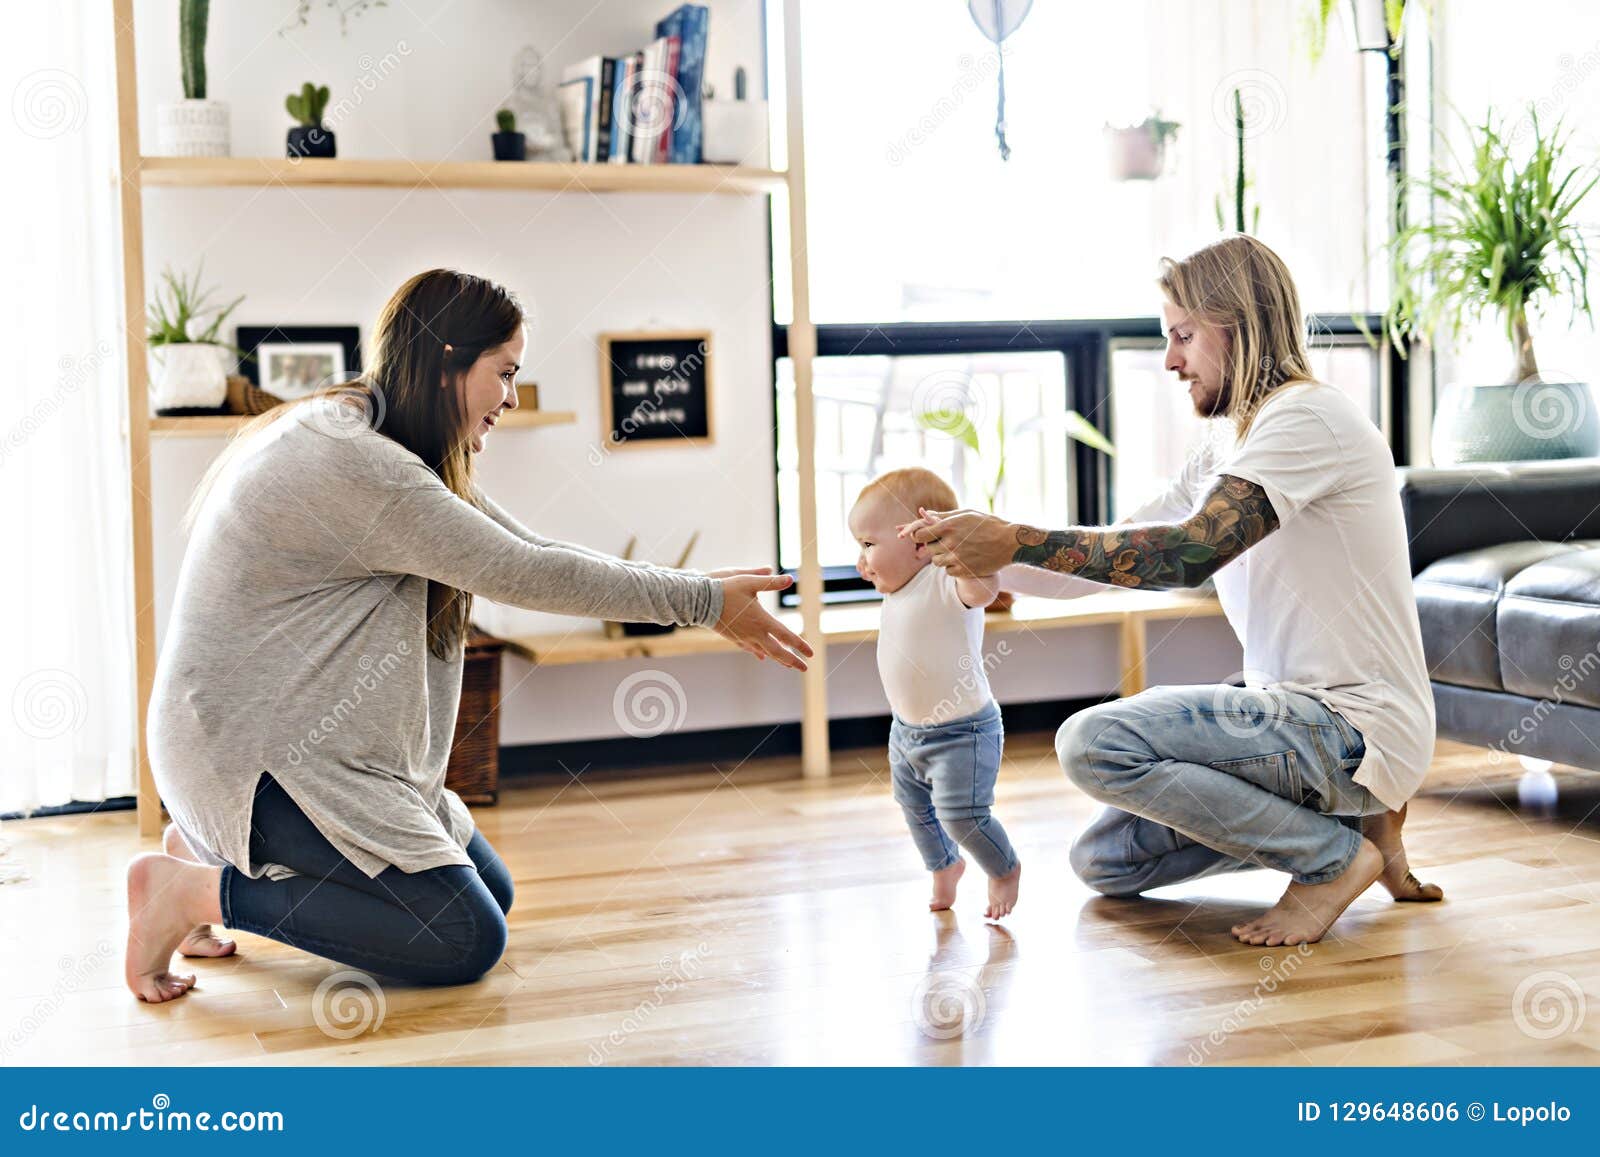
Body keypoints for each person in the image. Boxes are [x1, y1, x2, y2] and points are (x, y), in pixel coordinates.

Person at [126, 269, 813, 1002]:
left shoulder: (378, 434)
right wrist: (704, 601)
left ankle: (200, 848)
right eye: (505, 373)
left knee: (493, 892)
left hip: (280, 746)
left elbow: (530, 548)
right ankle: (195, 892)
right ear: (449, 357)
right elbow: (526, 571)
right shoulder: (359, 463)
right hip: (250, 757)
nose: (512, 398)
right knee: (460, 935)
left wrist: (702, 594)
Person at [903, 235, 1442, 947]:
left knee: (1092, 742)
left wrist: (1014, 540)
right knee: (1101, 861)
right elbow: (1120, 546)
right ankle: (1360, 825)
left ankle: (1332, 860)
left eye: (1183, 335)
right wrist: (989, 566)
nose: (1170, 359)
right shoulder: (1229, 445)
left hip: (1346, 724)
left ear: (1239, 324)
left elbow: (1188, 553)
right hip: (1299, 723)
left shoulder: (1306, 419)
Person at [849, 468, 1021, 919]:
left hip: (962, 732)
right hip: (905, 733)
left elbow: (983, 591)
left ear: (921, 540)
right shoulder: (897, 587)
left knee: (962, 816)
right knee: (913, 808)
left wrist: (967, 560)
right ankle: (945, 865)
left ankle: (1003, 869)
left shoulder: (946, 581)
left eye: (868, 544)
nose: (860, 560)